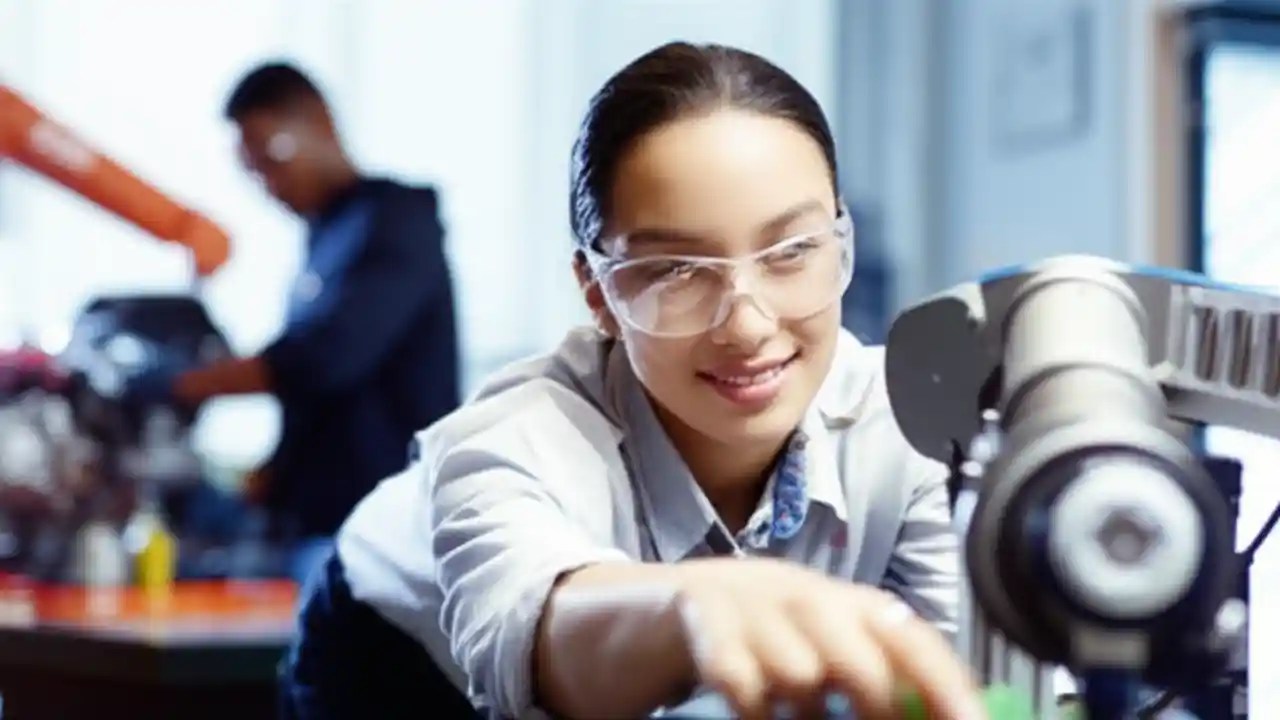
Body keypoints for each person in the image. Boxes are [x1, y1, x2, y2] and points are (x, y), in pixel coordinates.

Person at [281, 42, 982, 720]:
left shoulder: (911, 422)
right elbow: (541, 643)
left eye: (792, 251)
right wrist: (697, 604)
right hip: (393, 649)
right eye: (676, 270)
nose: (747, 326)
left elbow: (960, 676)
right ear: (598, 292)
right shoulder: (513, 437)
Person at [125, 62, 461, 586]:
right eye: (252, 170)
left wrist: (177, 384)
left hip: (381, 531)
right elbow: (313, 398)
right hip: (319, 522)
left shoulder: (396, 220)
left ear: (319, 121)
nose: (268, 184)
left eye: (272, 157)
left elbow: (325, 357)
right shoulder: (323, 239)